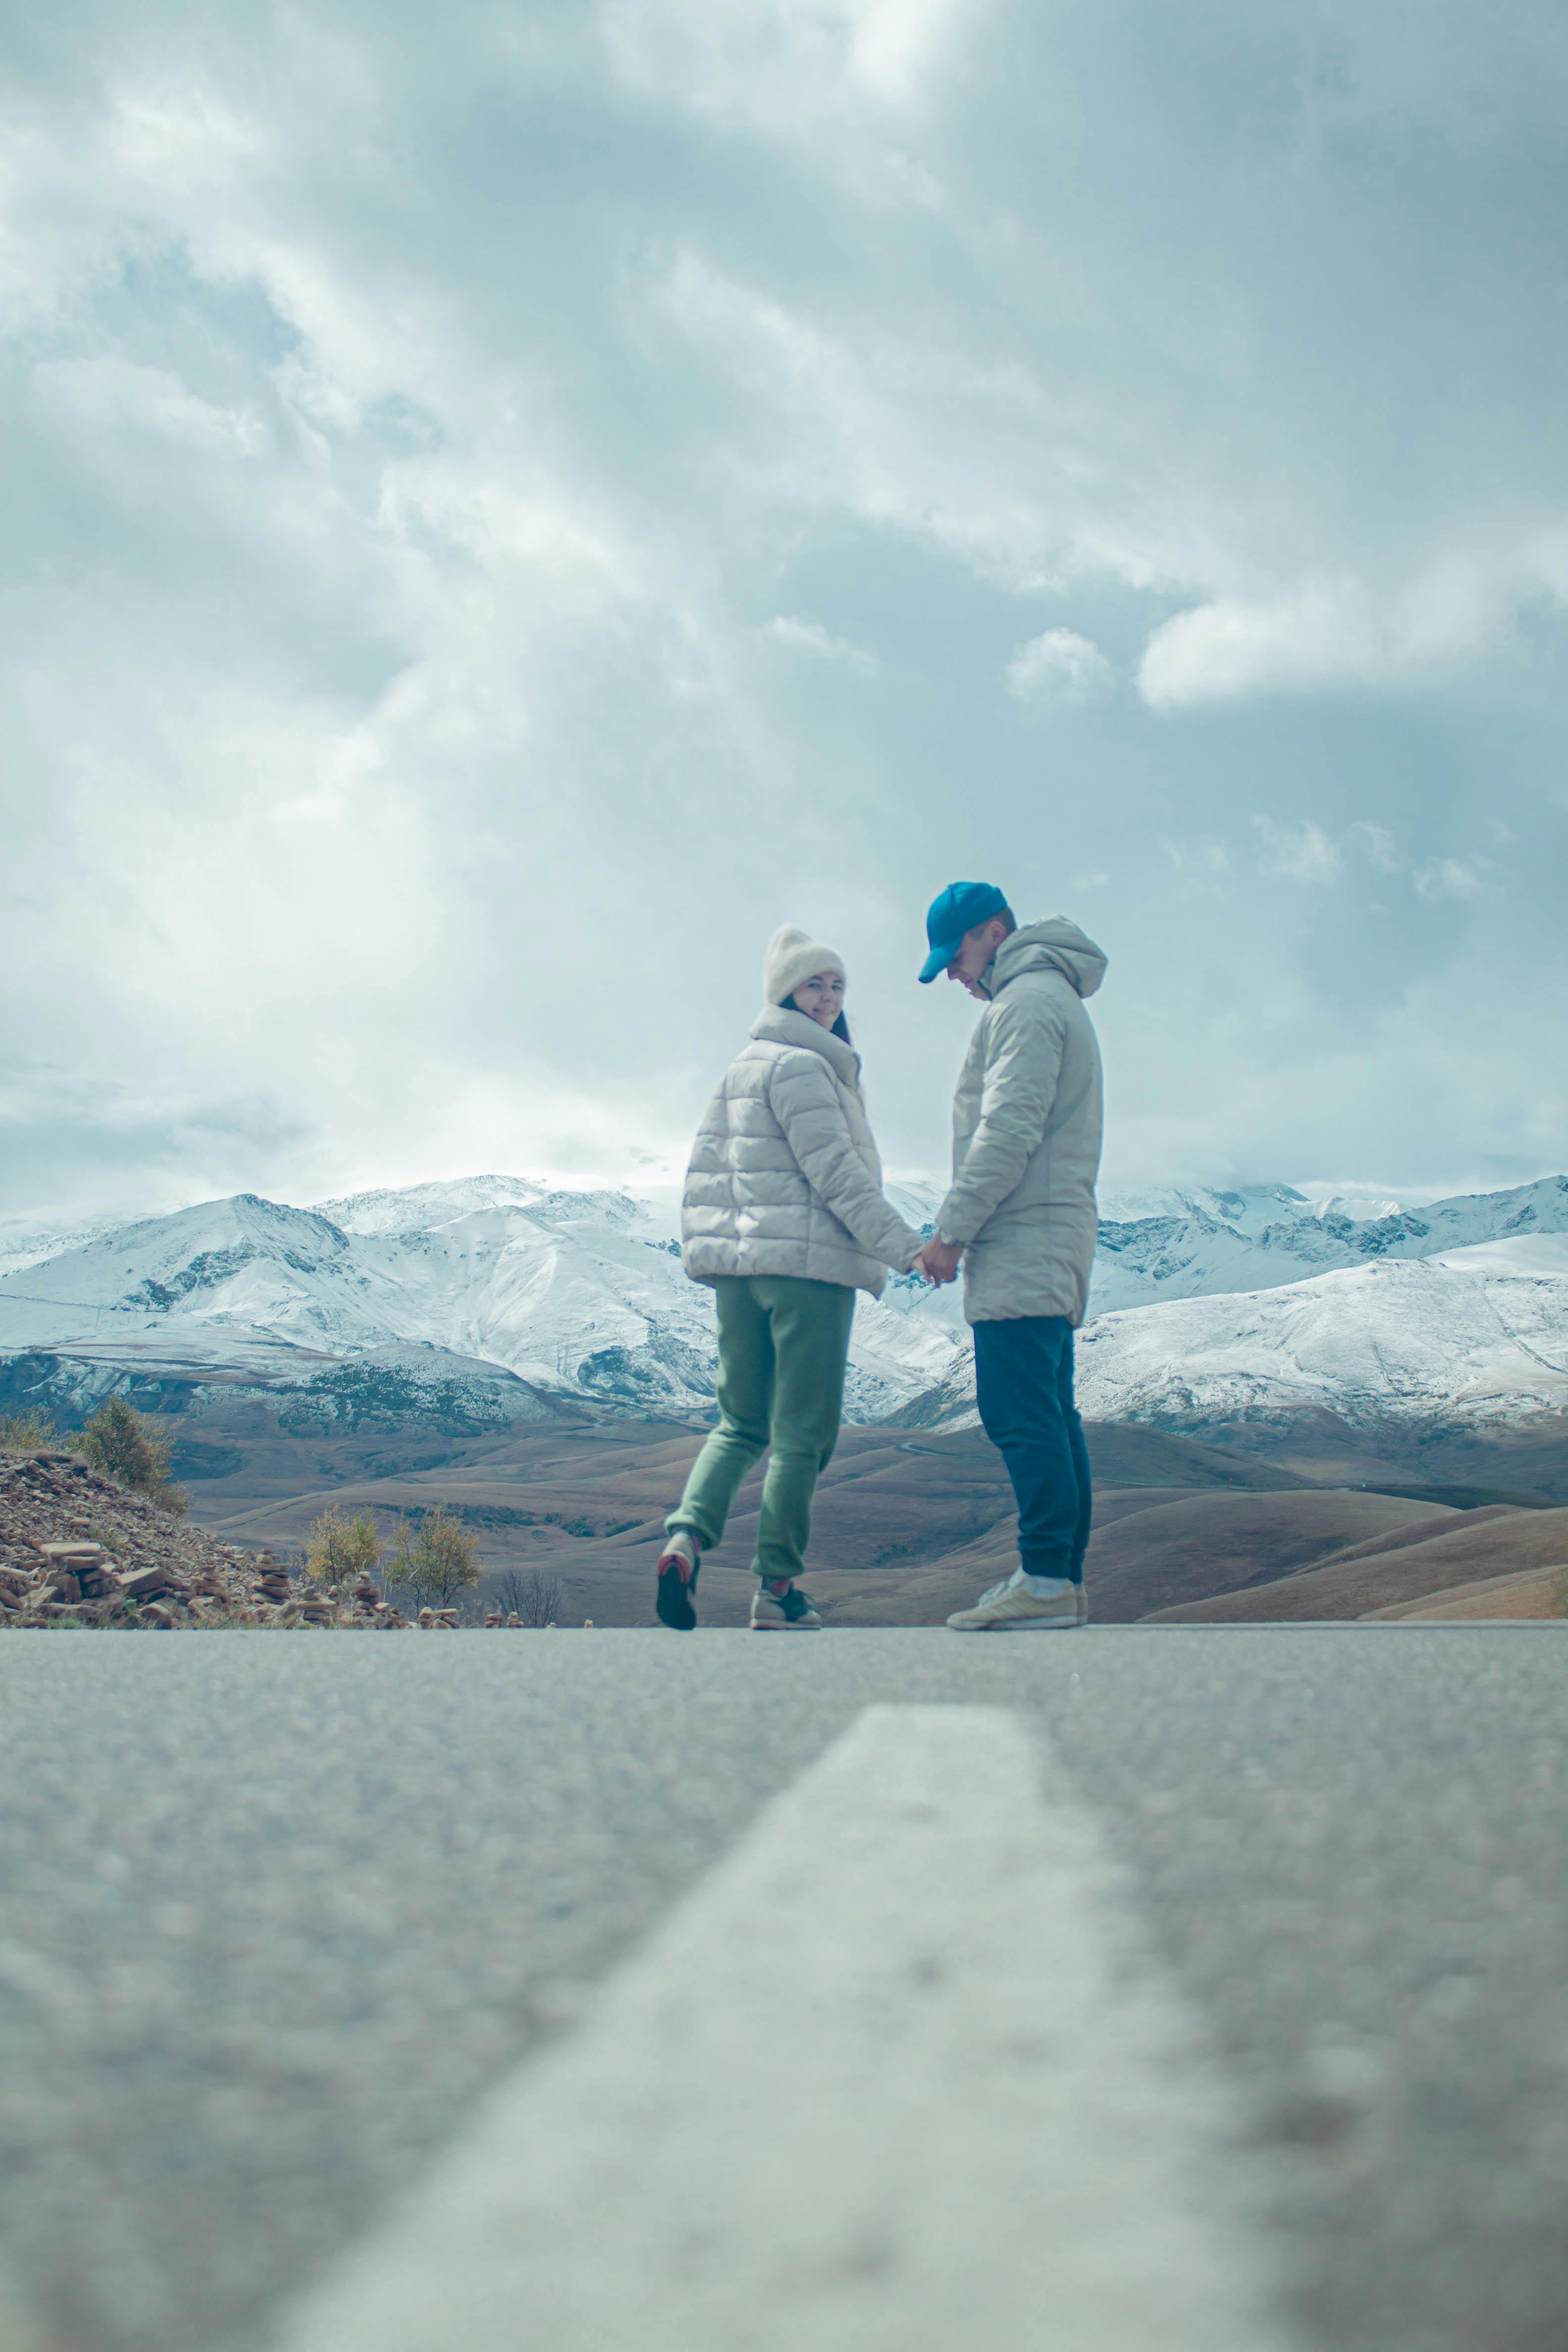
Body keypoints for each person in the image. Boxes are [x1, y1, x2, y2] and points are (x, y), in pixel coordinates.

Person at [656, 924, 929, 1632]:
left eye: (838, 985)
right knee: (803, 1434)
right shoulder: (804, 1069)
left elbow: (704, 1174)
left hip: (740, 1274)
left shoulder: (739, 1068)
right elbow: (836, 1175)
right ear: (786, 991)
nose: (830, 998)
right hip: (806, 1273)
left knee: (740, 1422)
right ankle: (776, 1589)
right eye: (816, 984)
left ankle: (685, 1539)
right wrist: (904, 1247)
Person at [912, 881, 1107, 1630]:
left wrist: (951, 1231)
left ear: (993, 932)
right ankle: (1059, 1581)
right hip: (1044, 1232)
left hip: (1025, 1233)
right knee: (1051, 1415)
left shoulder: (1025, 1004)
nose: (954, 976)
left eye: (955, 956)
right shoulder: (1051, 998)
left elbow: (1008, 1129)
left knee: (1021, 1414)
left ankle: (1048, 1584)